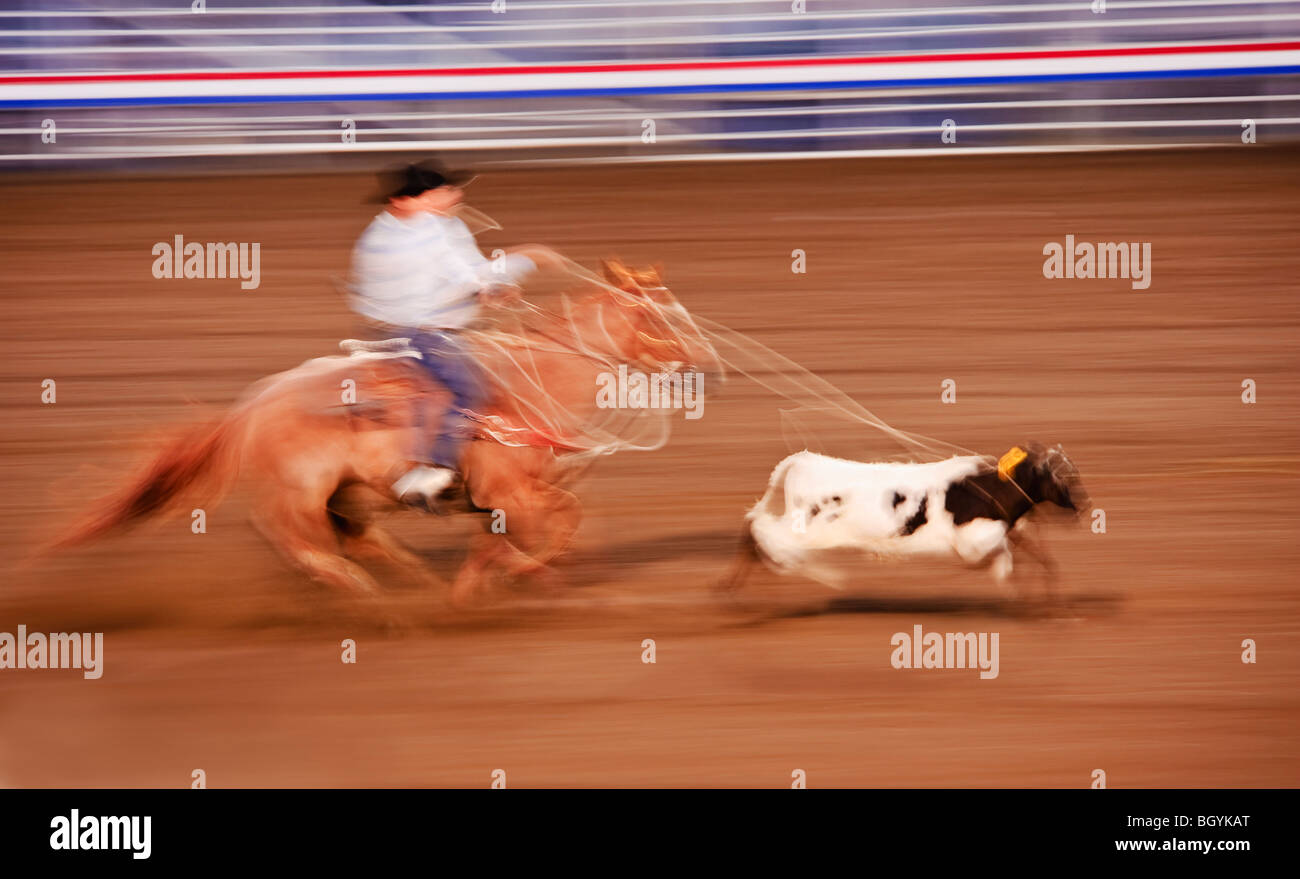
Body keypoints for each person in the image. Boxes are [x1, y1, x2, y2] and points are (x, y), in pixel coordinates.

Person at [349, 160, 552, 510]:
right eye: (441, 191)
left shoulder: (404, 229)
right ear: (406, 200)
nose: (455, 195)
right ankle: (432, 471)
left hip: (412, 325)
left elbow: (470, 275)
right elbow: (465, 279)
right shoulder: (425, 231)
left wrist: (493, 285)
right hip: (415, 332)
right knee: (468, 386)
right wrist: (527, 260)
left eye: (451, 189)